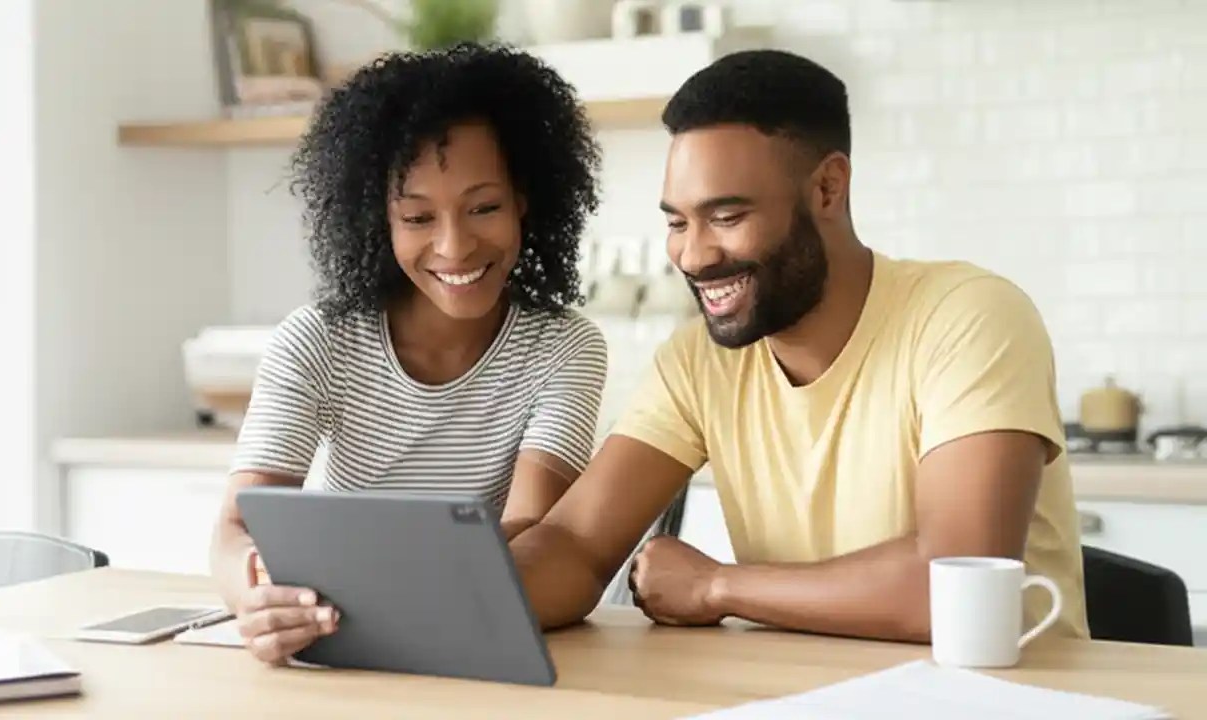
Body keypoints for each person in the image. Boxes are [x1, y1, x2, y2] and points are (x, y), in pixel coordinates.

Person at [509, 49, 1089, 642]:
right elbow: (576, 543)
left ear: (828, 189)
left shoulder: (969, 317)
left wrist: (718, 586)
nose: (694, 255)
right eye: (678, 223)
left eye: (727, 216)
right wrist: (456, 594)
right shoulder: (695, 363)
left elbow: (953, 591)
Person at [209, 42, 607, 665]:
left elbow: (532, 535)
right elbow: (236, 530)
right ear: (380, 221)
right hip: (339, 650)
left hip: (478, 650)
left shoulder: (564, 348)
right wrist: (253, 598)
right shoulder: (316, 340)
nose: (454, 246)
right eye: (418, 218)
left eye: (484, 208)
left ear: (526, 200)